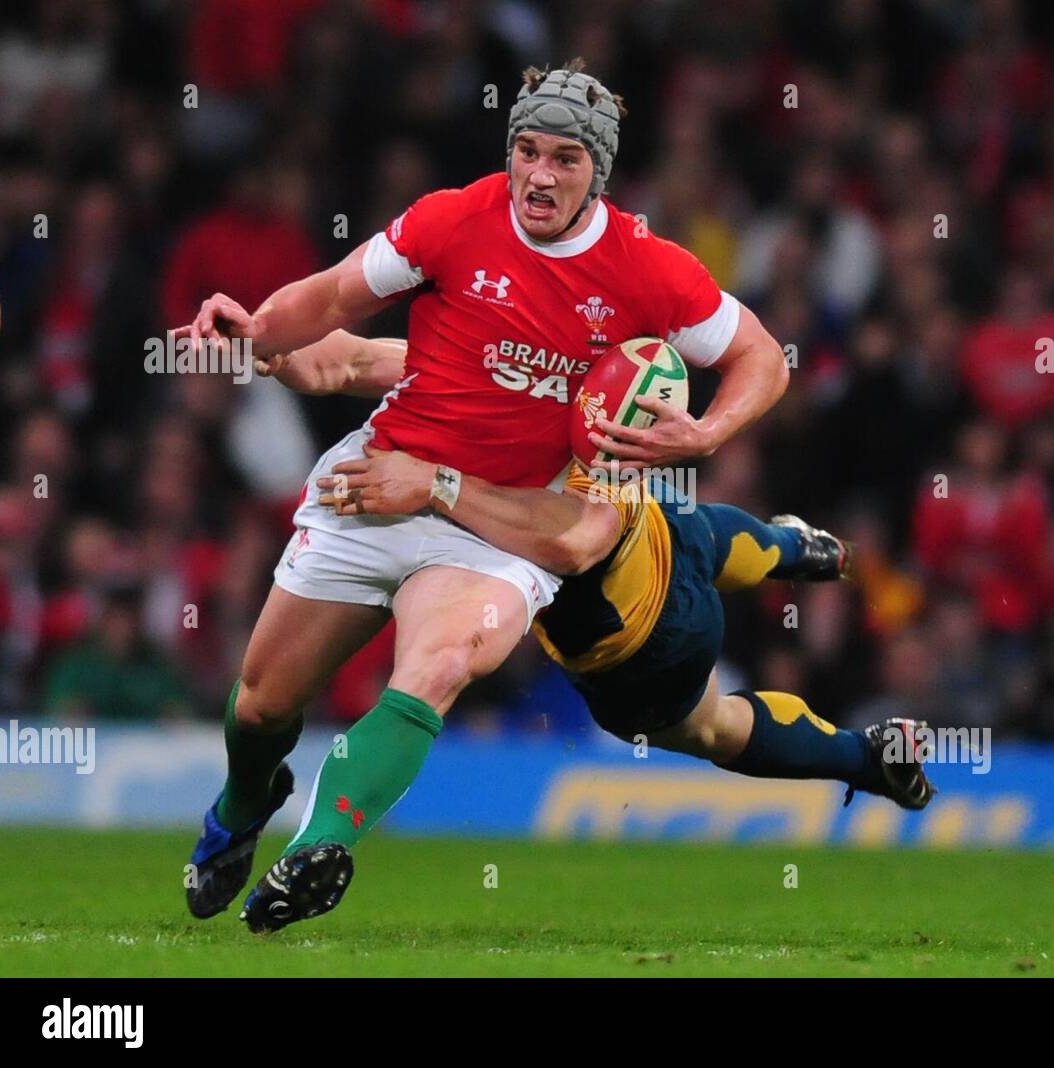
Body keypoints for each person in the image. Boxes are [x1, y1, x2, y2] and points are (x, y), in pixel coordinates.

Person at [174, 61, 789, 928]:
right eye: (527, 151)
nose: (539, 175)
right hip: (380, 476)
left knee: (441, 661)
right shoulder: (453, 219)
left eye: (565, 159)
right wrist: (257, 328)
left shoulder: (650, 270)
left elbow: (761, 356)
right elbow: (337, 295)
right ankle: (244, 801)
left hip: (500, 523)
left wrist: (709, 432)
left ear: (597, 172)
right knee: (264, 701)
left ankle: (319, 847)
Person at [234, 330, 934, 931]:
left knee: (713, 726)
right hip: (670, 535)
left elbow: (570, 543)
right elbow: (367, 357)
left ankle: (862, 757)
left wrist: (436, 485)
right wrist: (270, 344)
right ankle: (805, 552)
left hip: (644, 645)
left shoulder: (584, 455)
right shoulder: (534, 375)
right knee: (713, 536)